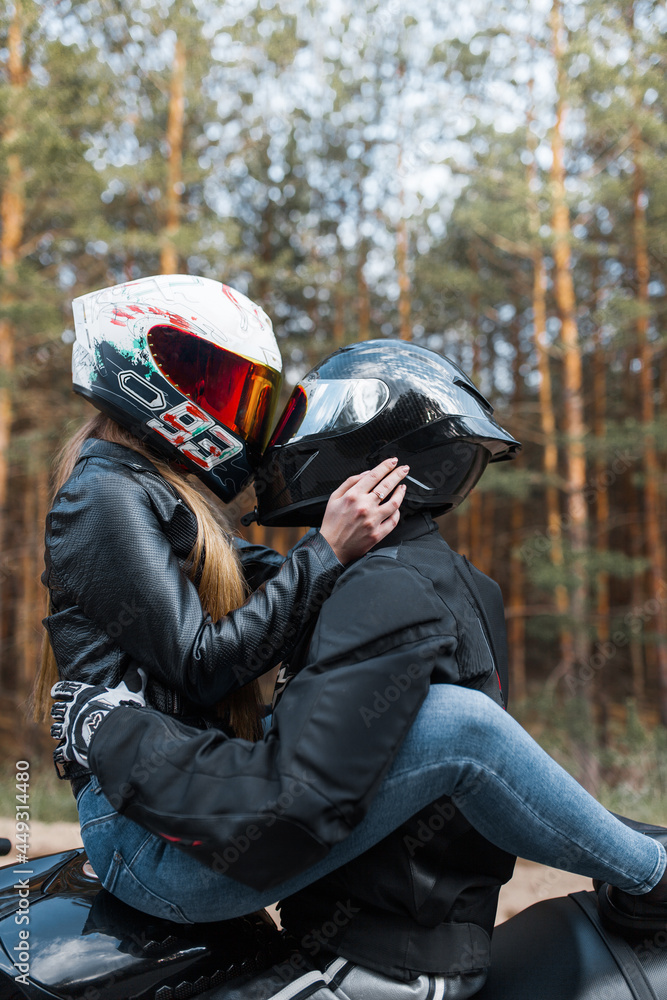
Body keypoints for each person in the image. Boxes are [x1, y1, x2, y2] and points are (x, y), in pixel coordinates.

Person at [52, 341, 667, 1000]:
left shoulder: (380, 586)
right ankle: (649, 865)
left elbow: (284, 781)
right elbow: (264, 707)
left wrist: (105, 733)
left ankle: (651, 868)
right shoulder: (449, 582)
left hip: (249, 881)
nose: (272, 431)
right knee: (447, 729)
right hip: (202, 851)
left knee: (452, 726)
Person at [35, 273, 409, 914]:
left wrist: (375, 567)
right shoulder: (103, 495)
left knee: (388, 728)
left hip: (185, 778)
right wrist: (327, 550)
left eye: (249, 397)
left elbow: (255, 572)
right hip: (140, 822)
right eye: (223, 389)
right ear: (152, 372)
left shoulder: (157, 491)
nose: (238, 414)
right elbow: (200, 663)